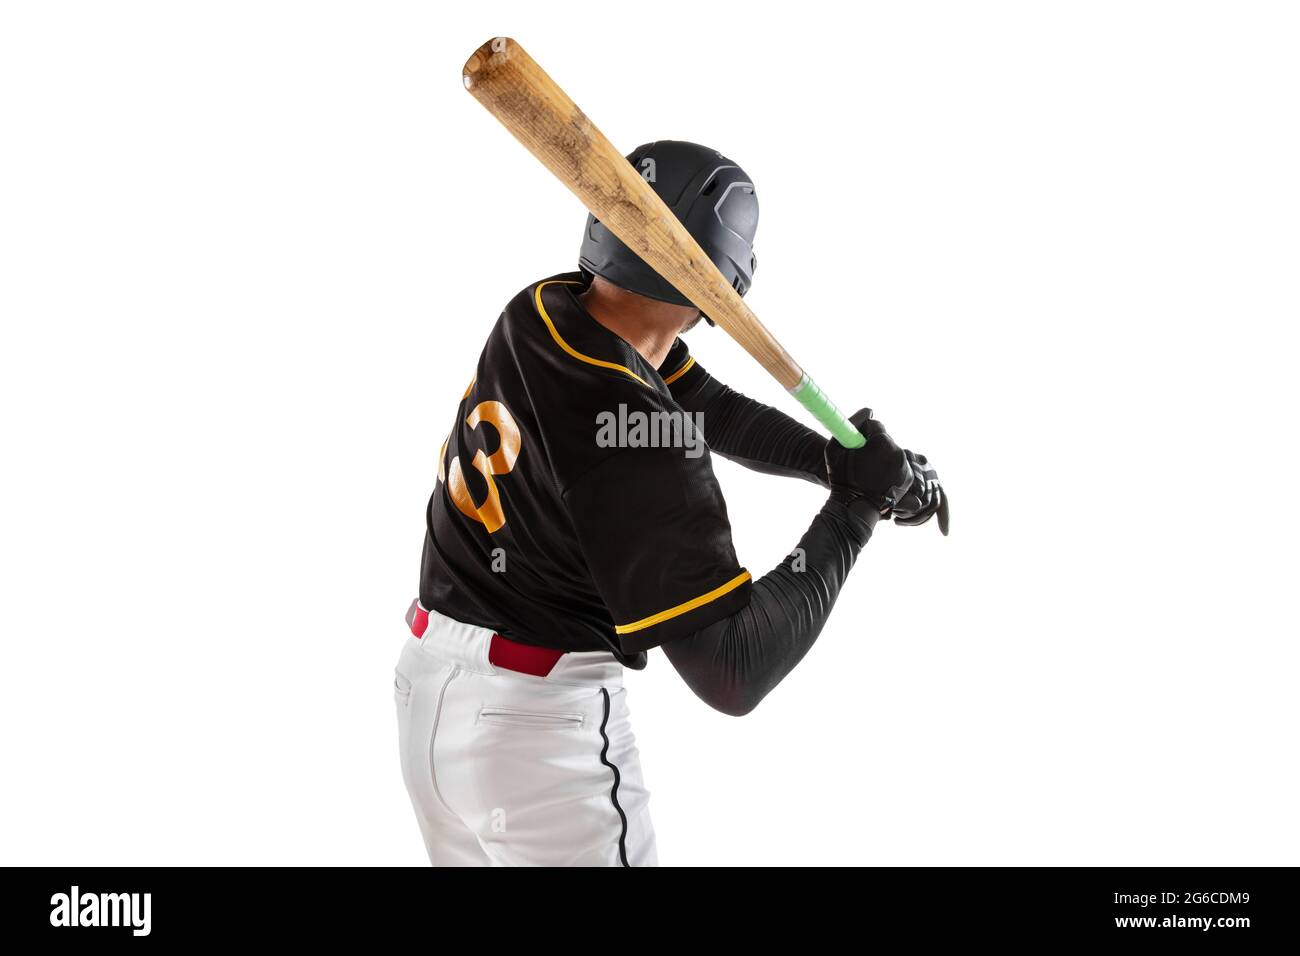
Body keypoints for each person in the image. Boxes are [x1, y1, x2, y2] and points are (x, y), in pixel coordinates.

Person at [394, 141, 947, 866]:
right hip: (536, 738)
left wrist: (835, 461)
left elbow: (702, 403)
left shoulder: (542, 313)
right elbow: (735, 668)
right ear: (724, 282)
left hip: (427, 691)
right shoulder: (644, 445)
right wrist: (854, 513)